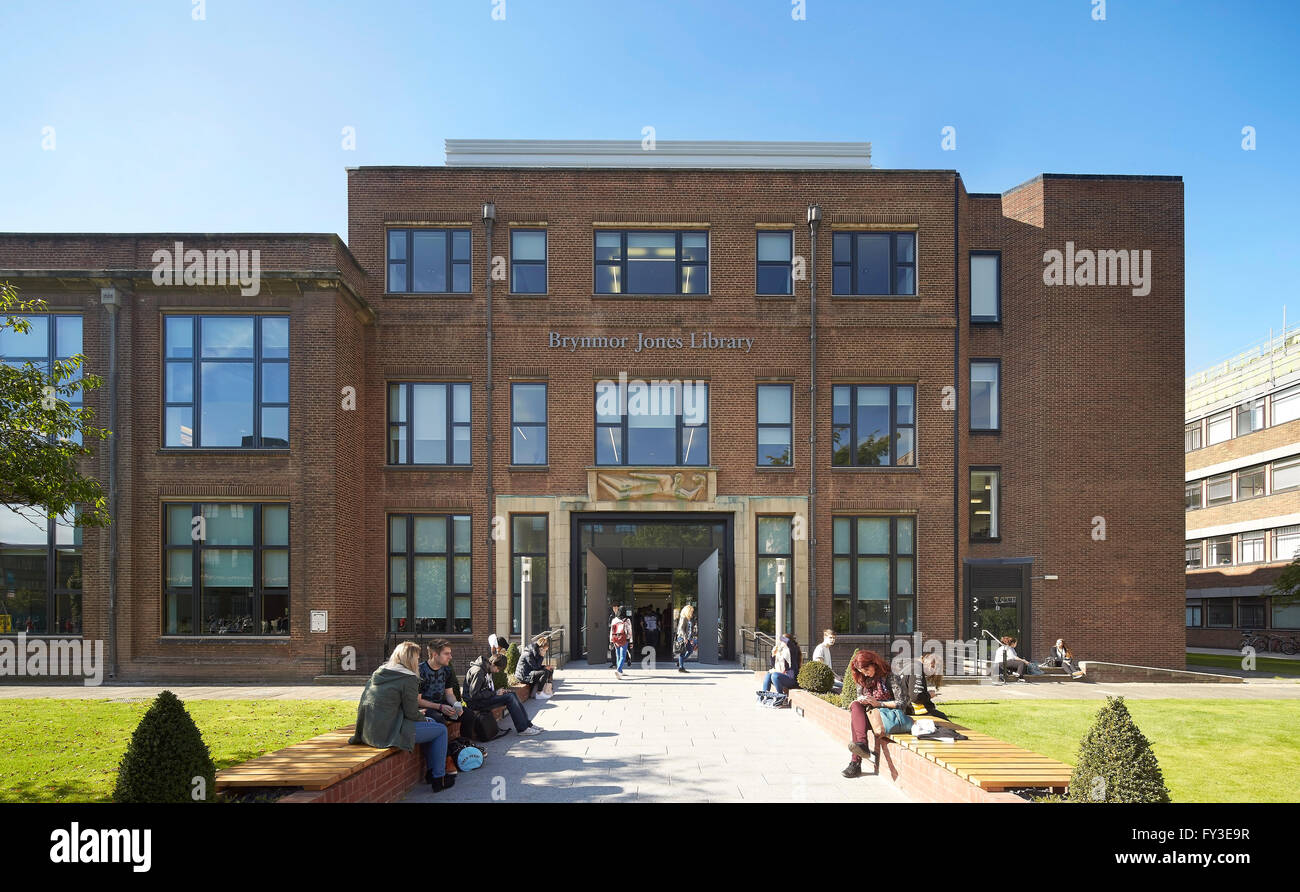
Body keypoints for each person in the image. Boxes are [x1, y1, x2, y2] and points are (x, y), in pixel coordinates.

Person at [350, 641, 453, 792]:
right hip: (388, 732)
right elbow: (411, 713)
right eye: (417, 658)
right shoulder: (408, 678)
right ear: (410, 659)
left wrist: (422, 717)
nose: (418, 662)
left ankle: (432, 772)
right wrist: (422, 717)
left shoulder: (380, 672)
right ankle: (439, 778)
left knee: (430, 725)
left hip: (368, 730)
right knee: (441, 730)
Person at [841, 650, 912, 778]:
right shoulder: (861, 677)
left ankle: (855, 763)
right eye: (862, 671)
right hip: (872, 714)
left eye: (867, 669)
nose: (865, 674)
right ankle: (862, 745)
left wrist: (879, 703)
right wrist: (861, 700)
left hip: (888, 716)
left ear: (875, 663)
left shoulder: (890, 676)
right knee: (855, 706)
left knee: (855, 723)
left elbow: (903, 703)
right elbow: (859, 696)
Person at [464, 652, 542, 736]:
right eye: (498, 669)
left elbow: (485, 689)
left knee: (512, 694)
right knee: (509, 697)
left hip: (483, 698)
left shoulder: (487, 668)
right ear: (493, 664)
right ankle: (522, 729)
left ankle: (527, 724)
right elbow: (474, 695)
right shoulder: (478, 672)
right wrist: (495, 693)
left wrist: (498, 691)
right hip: (474, 703)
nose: (498, 671)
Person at [418, 639, 463, 724]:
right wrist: (440, 707)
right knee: (439, 720)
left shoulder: (447, 670)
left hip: (442, 705)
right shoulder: (419, 671)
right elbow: (418, 701)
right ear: (435, 654)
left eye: (450, 653)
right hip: (425, 708)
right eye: (446, 654)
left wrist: (455, 704)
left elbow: (449, 694)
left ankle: (464, 737)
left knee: (468, 715)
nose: (450, 657)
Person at [515, 634, 555, 698]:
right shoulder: (528, 653)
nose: (545, 652)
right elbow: (535, 667)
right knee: (545, 672)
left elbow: (537, 666)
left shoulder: (536, 652)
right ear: (540, 648)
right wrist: (542, 657)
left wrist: (546, 666)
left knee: (549, 670)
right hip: (524, 675)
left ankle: (547, 690)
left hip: (530, 672)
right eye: (544, 650)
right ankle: (539, 693)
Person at [610, 603, 632, 678]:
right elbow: (630, 631)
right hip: (624, 639)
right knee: (623, 656)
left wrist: (611, 641)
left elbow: (611, 631)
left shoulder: (614, 620)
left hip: (616, 639)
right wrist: (631, 641)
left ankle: (620, 671)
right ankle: (619, 670)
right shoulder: (627, 620)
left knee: (618, 656)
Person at [674, 604, 695, 673]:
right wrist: (685, 638)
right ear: (687, 611)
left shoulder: (689, 618)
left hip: (688, 638)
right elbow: (681, 629)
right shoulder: (683, 618)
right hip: (682, 638)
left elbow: (690, 629)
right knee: (683, 653)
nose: (692, 612)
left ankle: (680, 663)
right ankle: (681, 668)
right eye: (691, 611)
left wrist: (690, 638)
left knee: (690, 651)